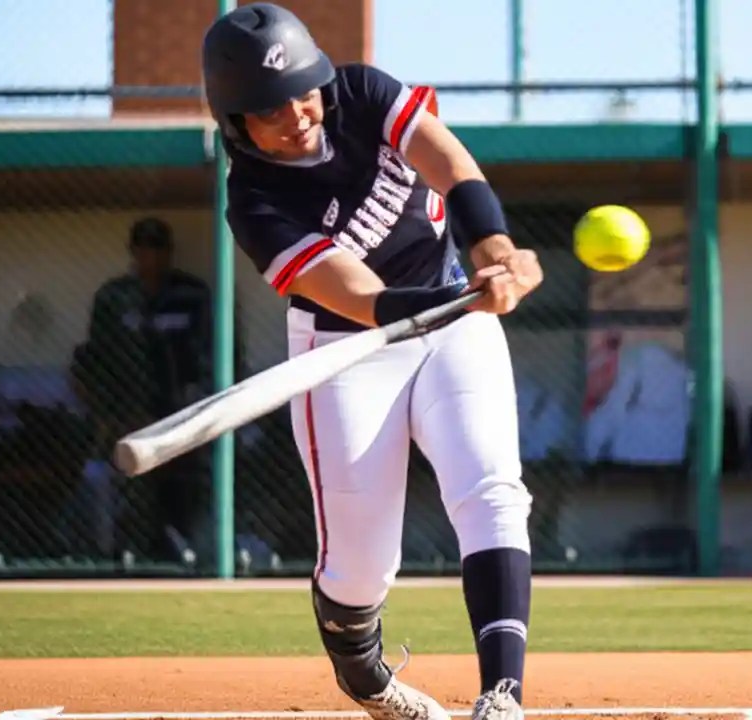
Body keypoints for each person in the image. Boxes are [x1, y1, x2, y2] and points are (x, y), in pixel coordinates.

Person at [201, 5, 542, 720]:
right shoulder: (254, 202)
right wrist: (460, 299)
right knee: (361, 567)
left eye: (302, 92)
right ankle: (365, 677)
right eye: (269, 109)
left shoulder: (360, 92)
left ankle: (503, 694)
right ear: (235, 122)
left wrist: (496, 252)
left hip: (456, 323)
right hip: (345, 352)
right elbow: (360, 296)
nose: (296, 115)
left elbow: (450, 165)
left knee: (492, 492)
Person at [86, 217, 213, 565]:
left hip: (183, 410)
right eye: (144, 249)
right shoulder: (115, 297)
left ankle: (185, 545)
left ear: (170, 252)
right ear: (133, 252)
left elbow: (212, 356)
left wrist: (196, 410)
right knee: (128, 479)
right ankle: (130, 549)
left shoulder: (191, 294)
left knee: (185, 482)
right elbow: (98, 360)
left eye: (158, 249)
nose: (151, 257)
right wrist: (109, 415)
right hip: (129, 411)